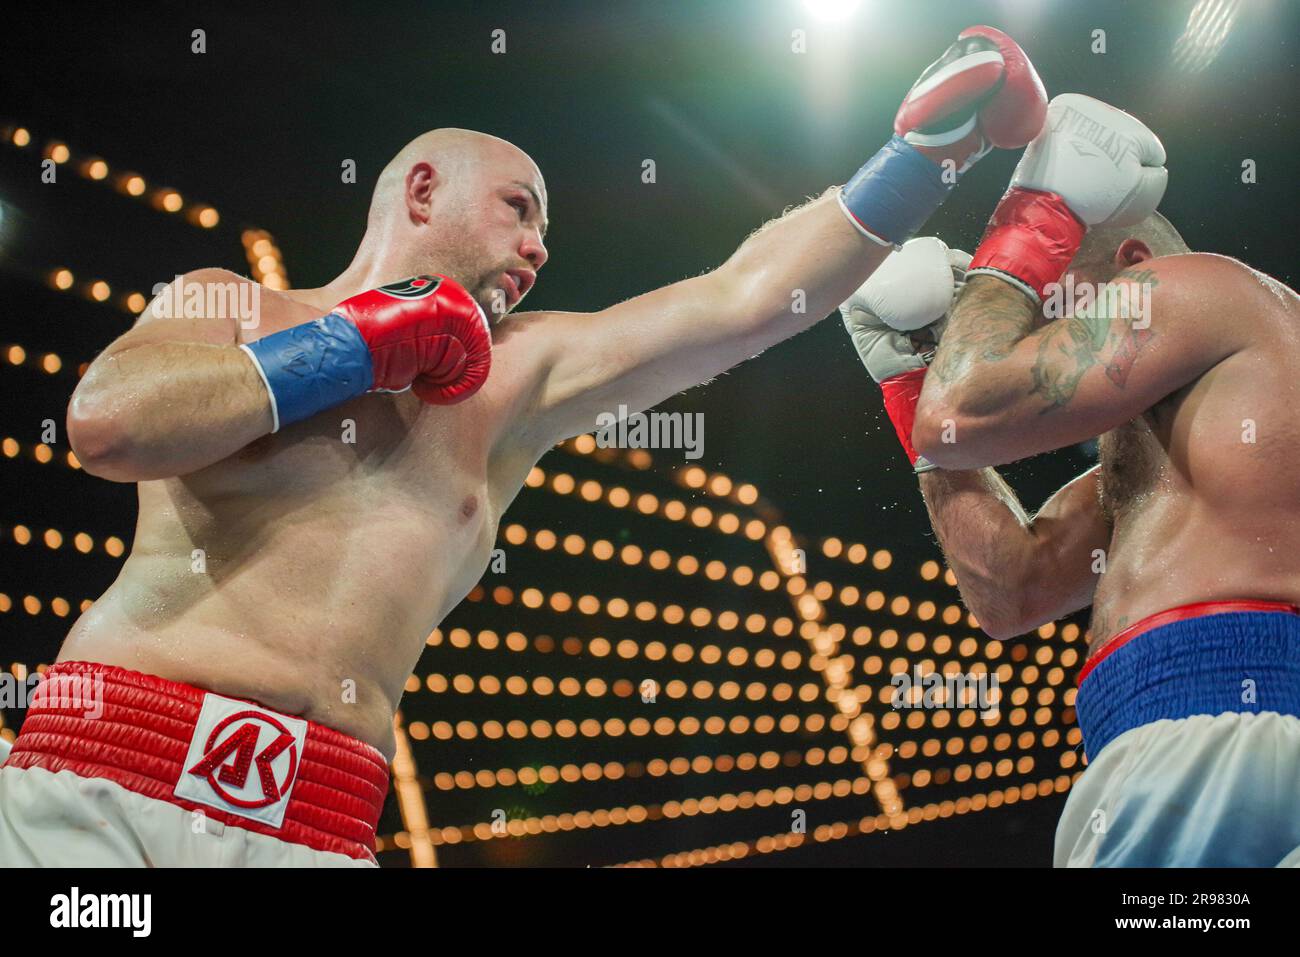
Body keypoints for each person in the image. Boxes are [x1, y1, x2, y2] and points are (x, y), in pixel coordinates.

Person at [0, 29, 1046, 865]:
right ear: (419, 192)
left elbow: (740, 301)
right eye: (518, 211)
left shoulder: (520, 377)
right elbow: (110, 425)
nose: (541, 247)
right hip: (104, 783)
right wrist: (352, 349)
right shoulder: (231, 302)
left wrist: (929, 153)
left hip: (320, 822)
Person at [842, 93, 1300, 866]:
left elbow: (968, 399)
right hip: (1176, 729)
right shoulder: (1163, 456)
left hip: (1226, 723)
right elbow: (1009, 590)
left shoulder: (1207, 289)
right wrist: (910, 383)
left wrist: (1033, 217)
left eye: (1047, 295)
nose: (1028, 328)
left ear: (1131, 270)